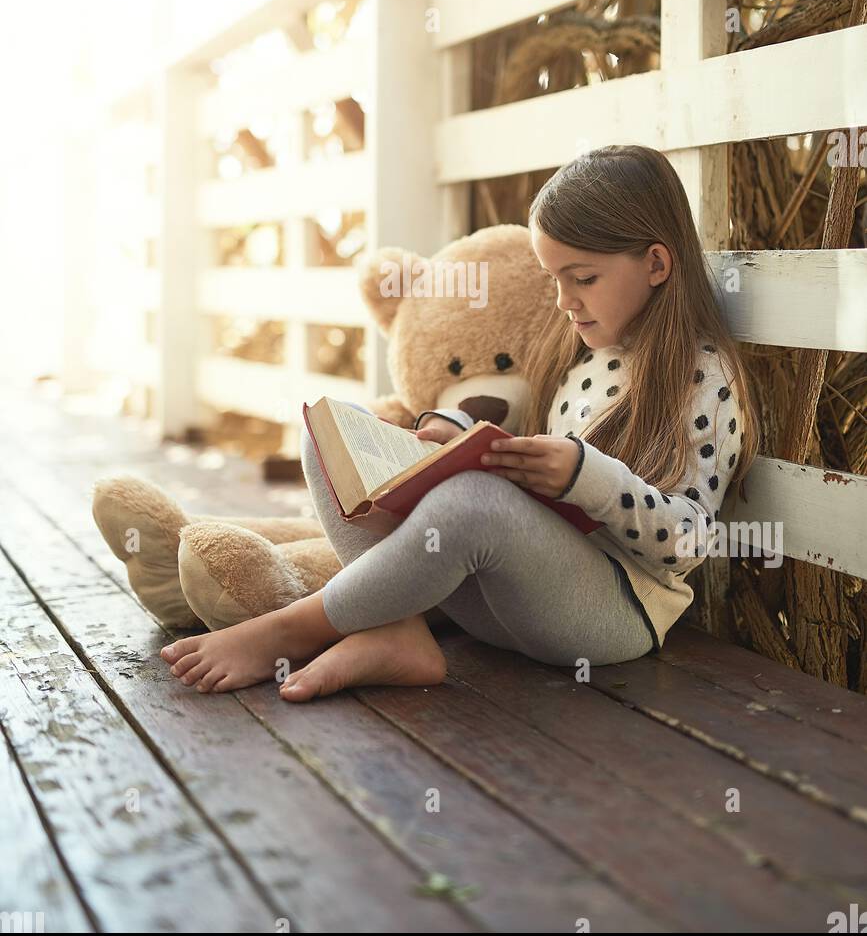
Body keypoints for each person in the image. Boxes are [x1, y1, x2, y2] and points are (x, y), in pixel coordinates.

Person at [161, 144, 760, 701]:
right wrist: (449, 432)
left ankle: (292, 631)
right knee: (332, 432)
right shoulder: (574, 347)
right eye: (555, 280)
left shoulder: (702, 375)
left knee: (472, 503)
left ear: (656, 263)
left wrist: (586, 477)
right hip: (505, 597)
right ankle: (398, 632)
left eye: (582, 279)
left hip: (615, 610)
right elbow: (510, 420)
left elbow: (690, 543)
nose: (563, 301)